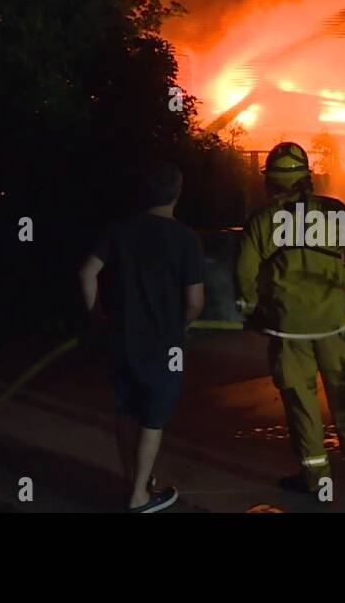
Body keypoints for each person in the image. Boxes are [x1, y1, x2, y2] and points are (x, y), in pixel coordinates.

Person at [236, 141, 345, 496]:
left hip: (289, 329)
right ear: (307, 177)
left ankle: (316, 480)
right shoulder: (336, 212)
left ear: (270, 182)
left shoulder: (260, 221)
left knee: (302, 403)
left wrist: (252, 311)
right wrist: (344, 284)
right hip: (335, 324)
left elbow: (244, 276)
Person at [78, 162, 205, 513]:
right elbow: (195, 302)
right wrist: (183, 324)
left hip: (118, 339)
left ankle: (133, 479)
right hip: (163, 346)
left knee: (126, 410)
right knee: (153, 416)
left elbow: (87, 272)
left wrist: (96, 316)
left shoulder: (119, 229)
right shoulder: (186, 239)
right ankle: (139, 498)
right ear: (178, 193)